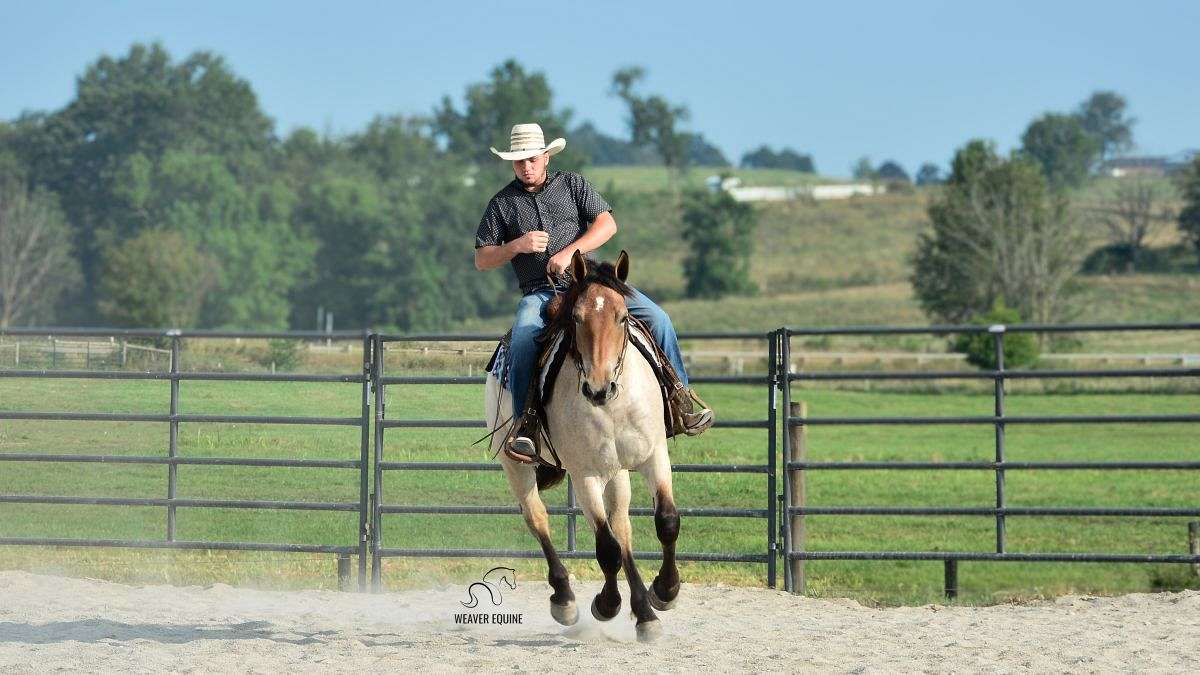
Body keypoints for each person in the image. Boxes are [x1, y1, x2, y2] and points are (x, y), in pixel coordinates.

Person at [474, 123, 713, 462]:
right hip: (540, 293)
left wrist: (569, 253)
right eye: (519, 161)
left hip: (590, 285)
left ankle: (679, 398)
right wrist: (516, 245)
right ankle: (526, 424)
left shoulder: (573, 184)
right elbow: (482, 259)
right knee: (525, 336)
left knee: (658, 317)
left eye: (532, 159)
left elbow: (607, 224)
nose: (526, 166)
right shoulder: (502, 204)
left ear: (546, 157)